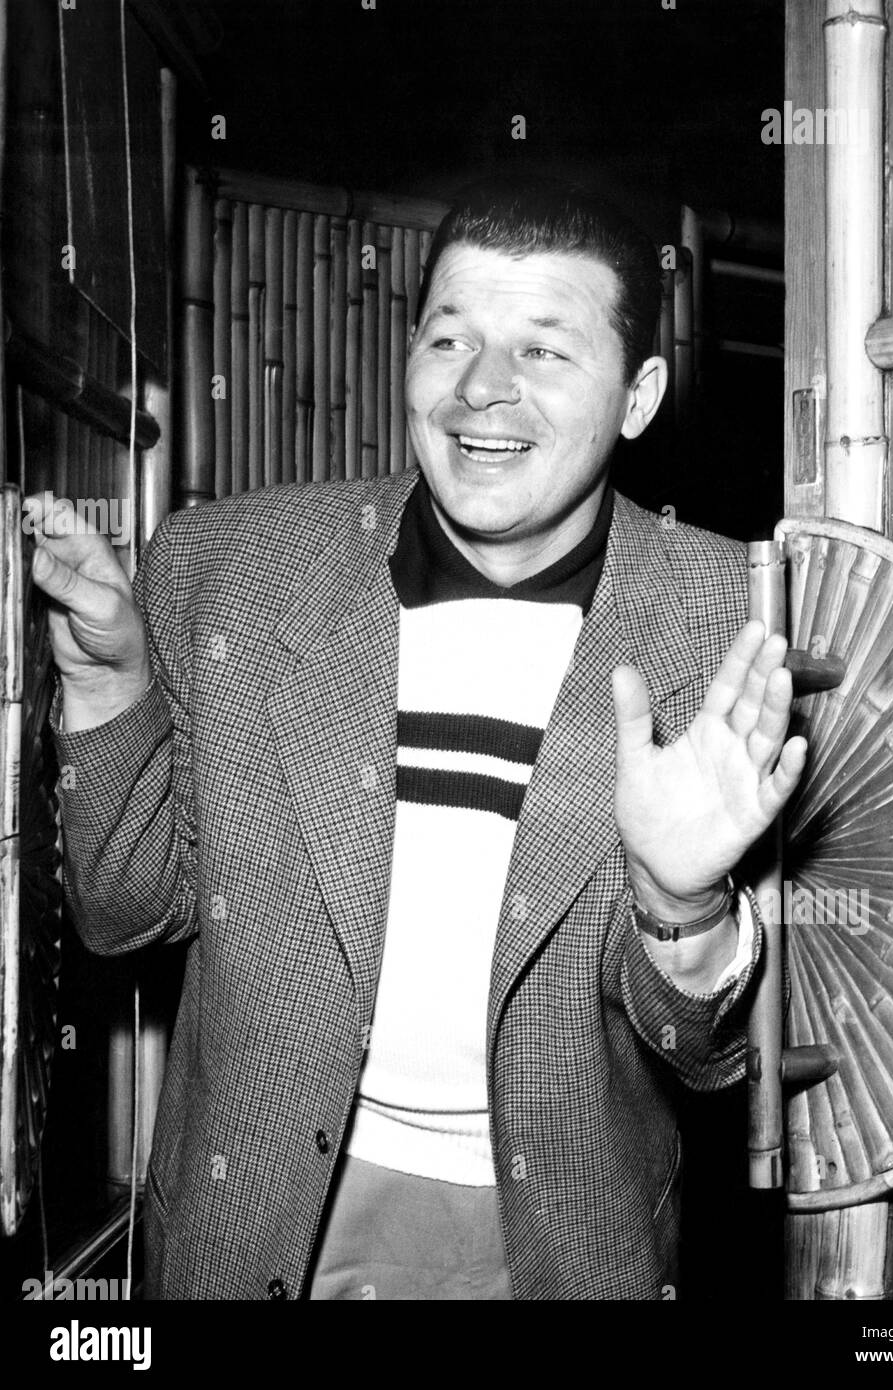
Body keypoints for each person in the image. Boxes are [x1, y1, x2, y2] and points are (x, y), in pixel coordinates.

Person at [25, 178, 805, 1300]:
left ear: (637, 397)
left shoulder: (732, 622)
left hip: (561, 1240)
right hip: (249, 1218)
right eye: (449, 337)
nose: (482, 389)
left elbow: (714, 1059)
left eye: (543, 352)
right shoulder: (227, 570)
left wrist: (678, 901)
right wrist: (109, 685)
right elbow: (120, 914)